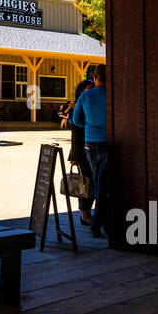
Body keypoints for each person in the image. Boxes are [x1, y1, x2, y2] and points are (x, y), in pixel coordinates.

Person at [71, 65, 107, 239]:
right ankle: (99, 223)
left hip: (90, 144)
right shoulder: (112, 95)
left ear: (95, 78)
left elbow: (76, 120)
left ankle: (99, 222)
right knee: (103, 184)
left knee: (97, 180)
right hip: (108, 142)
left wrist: (91, 126)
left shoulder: (85, 96)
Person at [66, 78, 94, 226]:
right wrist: (75, 156)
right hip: (82, 152)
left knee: (93, 183)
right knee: (85, 184)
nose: (91, 92)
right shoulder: (79, 107)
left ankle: (88, 213)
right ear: (81, 93)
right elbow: (75, 134)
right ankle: (85, 215)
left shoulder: (91, 106)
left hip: (92, 149)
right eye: (88, 90)